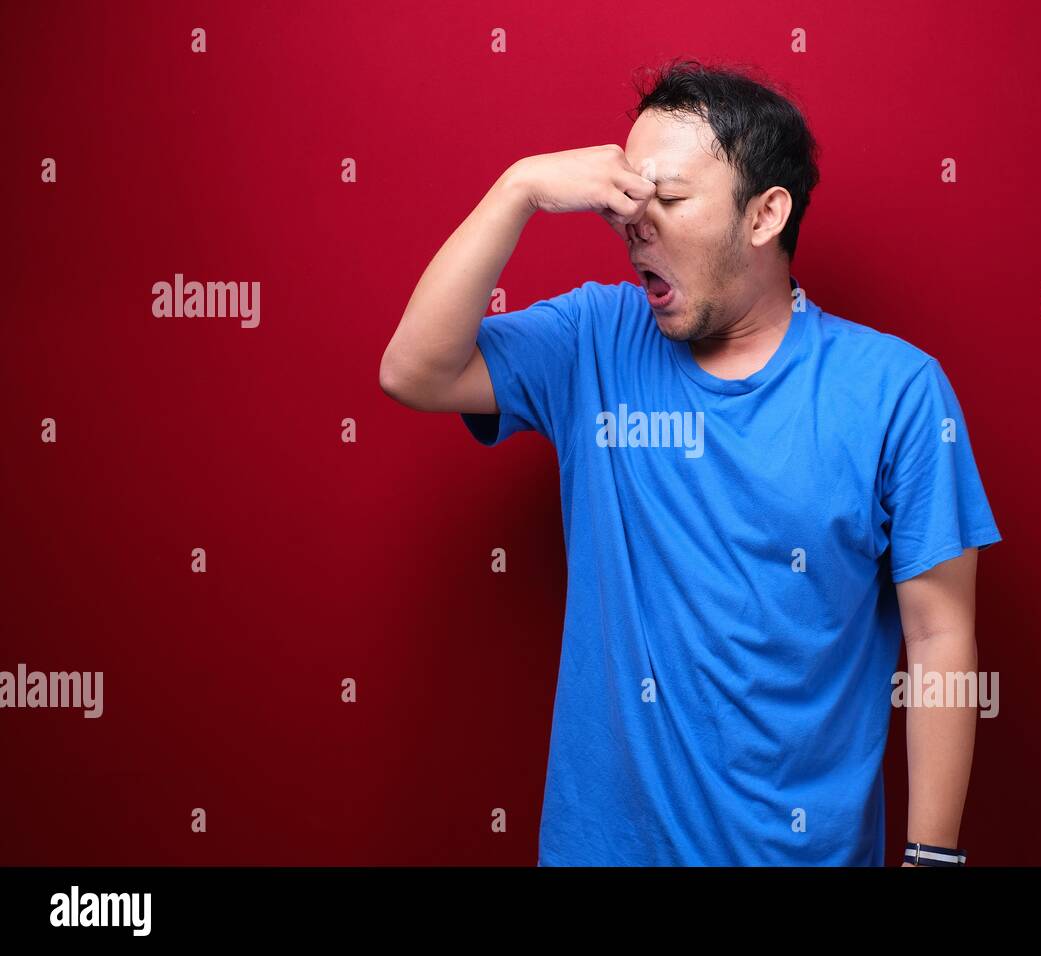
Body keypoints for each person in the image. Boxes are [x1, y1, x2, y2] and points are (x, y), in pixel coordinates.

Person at [380, 59, 1002, 866]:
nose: (635, 221)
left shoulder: (897, 390)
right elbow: (413, 372)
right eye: (627, 198)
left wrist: (933, 858)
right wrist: (518, 188)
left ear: (764, 215)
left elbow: (941, 631)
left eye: (667, 199)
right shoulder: (591, 341)